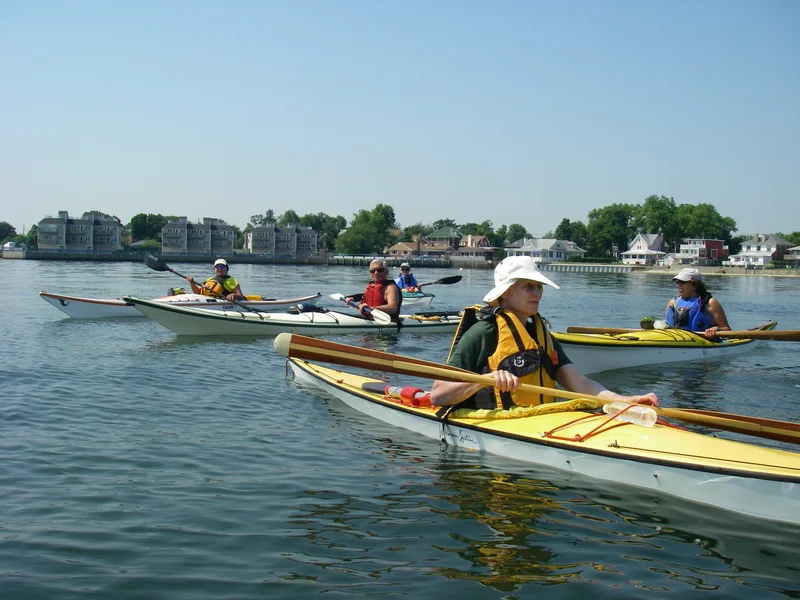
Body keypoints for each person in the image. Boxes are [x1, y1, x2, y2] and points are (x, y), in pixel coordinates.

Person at [430, 256, 658, 409]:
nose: (536, 293)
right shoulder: (483, 332)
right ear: (506, 293)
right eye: (527, 286)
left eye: (538, 287)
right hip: (494, 426)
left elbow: (581, 384)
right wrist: (485, 380)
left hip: (536, 422)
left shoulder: (542, 335)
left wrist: (623, 401)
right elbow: (438, 395)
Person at [665, 268, 730, 339]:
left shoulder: (710, 303)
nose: (679, 285)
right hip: (676, 341)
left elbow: (727, 330)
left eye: (683, 282)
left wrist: (716, 329)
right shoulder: (673, 303)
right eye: (678, 282)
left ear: (695, 285)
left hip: (704, 343)